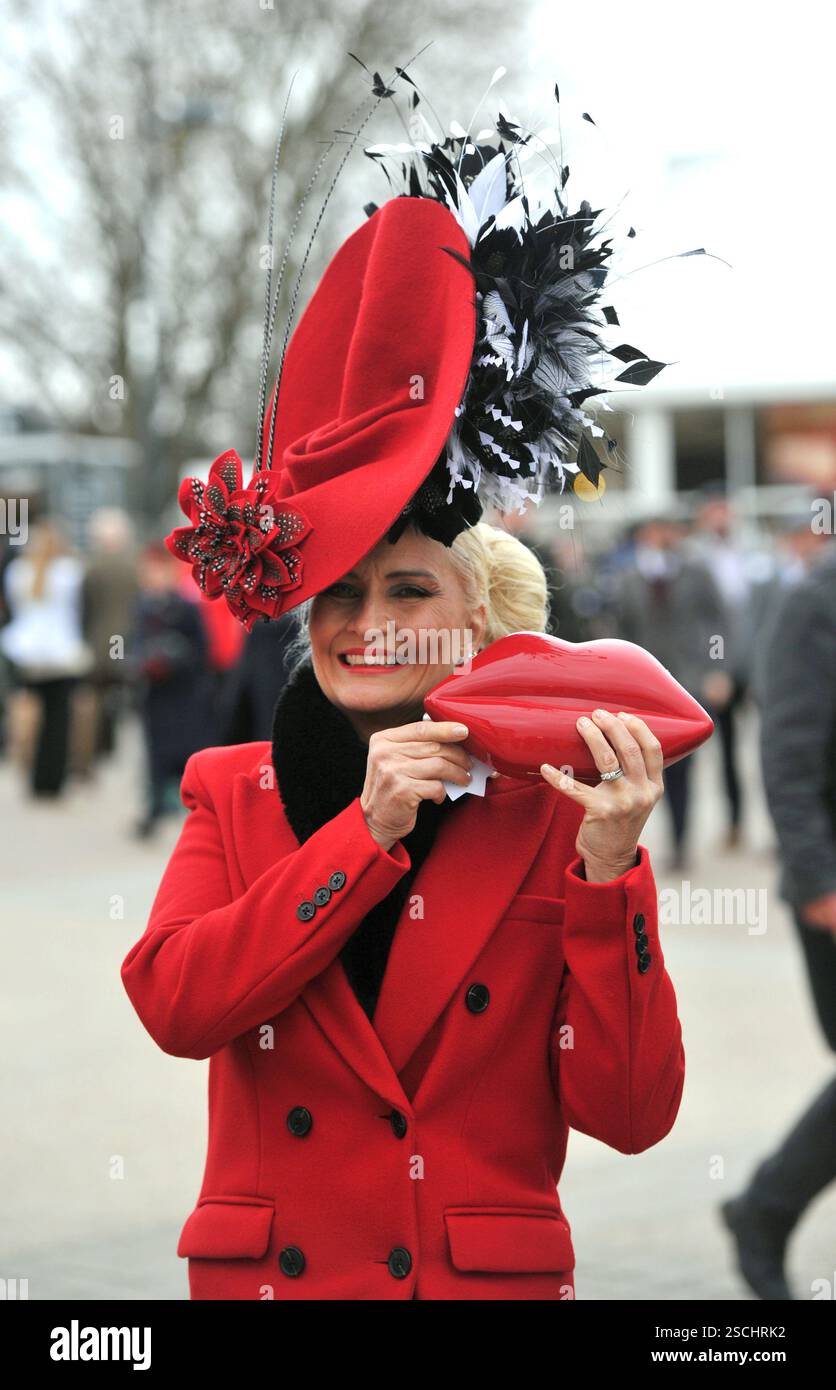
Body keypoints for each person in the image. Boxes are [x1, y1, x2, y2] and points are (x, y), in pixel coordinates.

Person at [119, 60, 686, 1301]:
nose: (369, 624)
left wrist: (608, 874)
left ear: (476, 617)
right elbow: (176, 1004)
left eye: (409, 591)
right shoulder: (233, 791)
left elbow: (630, 1115)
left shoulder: (553, 814)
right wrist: (362, 838)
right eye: (341, 597)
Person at [720, 538, 836, 1300]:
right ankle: (762, 1210)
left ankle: (760, 1209)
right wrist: (820, 882)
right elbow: (786, 756)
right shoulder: (812, 602)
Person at [613, 514, 730, 868]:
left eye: (669, 530)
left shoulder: (697, 572)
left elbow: (717, 623)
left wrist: (717, 669)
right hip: (644, 692)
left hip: (688, 685)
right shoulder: (628, 579)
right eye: (656, 531)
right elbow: (619, 633)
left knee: (683, 770)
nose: (664, 537)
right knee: (644, 768)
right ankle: (637, 843)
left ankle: (680, 844)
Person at [0, 518, 93, 795]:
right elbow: (79, 612)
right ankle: (54, 778)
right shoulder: (69, 572)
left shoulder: (18, 571)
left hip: (25, 652)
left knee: (30, 717)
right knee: (59, 719)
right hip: (62, 654)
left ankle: (33, 774)